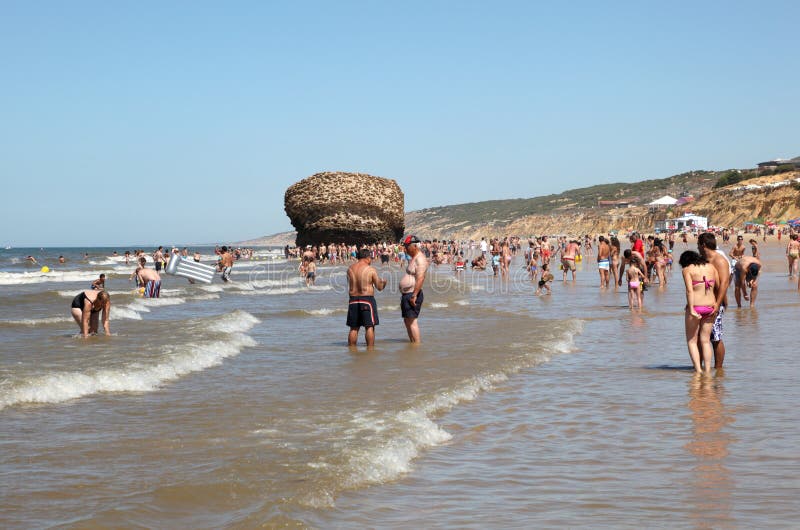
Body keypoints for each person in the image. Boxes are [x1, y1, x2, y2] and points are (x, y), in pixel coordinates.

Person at [679, 250, 720, 374]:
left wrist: (690, 308)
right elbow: (718, 286)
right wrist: (717, 304)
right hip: (710, 306)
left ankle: (698, 370)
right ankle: (707, 371)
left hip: (696, 307)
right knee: (705, 340)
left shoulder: (687, 270)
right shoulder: (711, 267)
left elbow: (689, 291)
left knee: (691, 340)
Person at [697, 233, 732, 368]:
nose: (698, 247)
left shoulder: (720, 260)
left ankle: (718, 369)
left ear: (703, 245)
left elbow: (724, 283)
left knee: (715, 338)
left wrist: (718, 304)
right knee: (700, 337)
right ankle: (701, 368)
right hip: (702, 302)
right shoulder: (702, 259)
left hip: (715, 302)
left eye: (698, 245)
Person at [346, 248, 387, 347]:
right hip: (367, 299)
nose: (371, 260)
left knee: (353, 328)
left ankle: (352, 350)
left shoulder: (350, 269)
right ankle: (370, 350)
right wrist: (384, 282)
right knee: (369, 326)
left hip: (353, 300)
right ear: (367, 258)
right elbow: (379, 287)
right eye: (371, 258)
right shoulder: (370, 269)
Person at [399, 235, 428, 343]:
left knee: (412, 321)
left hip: (412, 295)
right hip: (407, 294)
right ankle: (412, 343)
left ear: (414, 246)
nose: (405, 249)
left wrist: (414, 295)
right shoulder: (413, 258)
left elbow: (420, 278)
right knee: (407, 321)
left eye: (407, 246)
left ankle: (416, 345)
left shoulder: (420, 259)